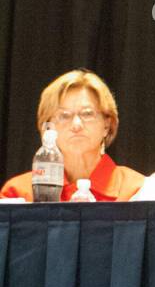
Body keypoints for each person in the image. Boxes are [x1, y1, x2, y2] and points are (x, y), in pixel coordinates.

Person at [1, 69, 146, 201]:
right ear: (47, 129)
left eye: (87, 114)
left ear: (106, 125)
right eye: (64, 116)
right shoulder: (19, 193)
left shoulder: (138, 191)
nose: (76, 125)